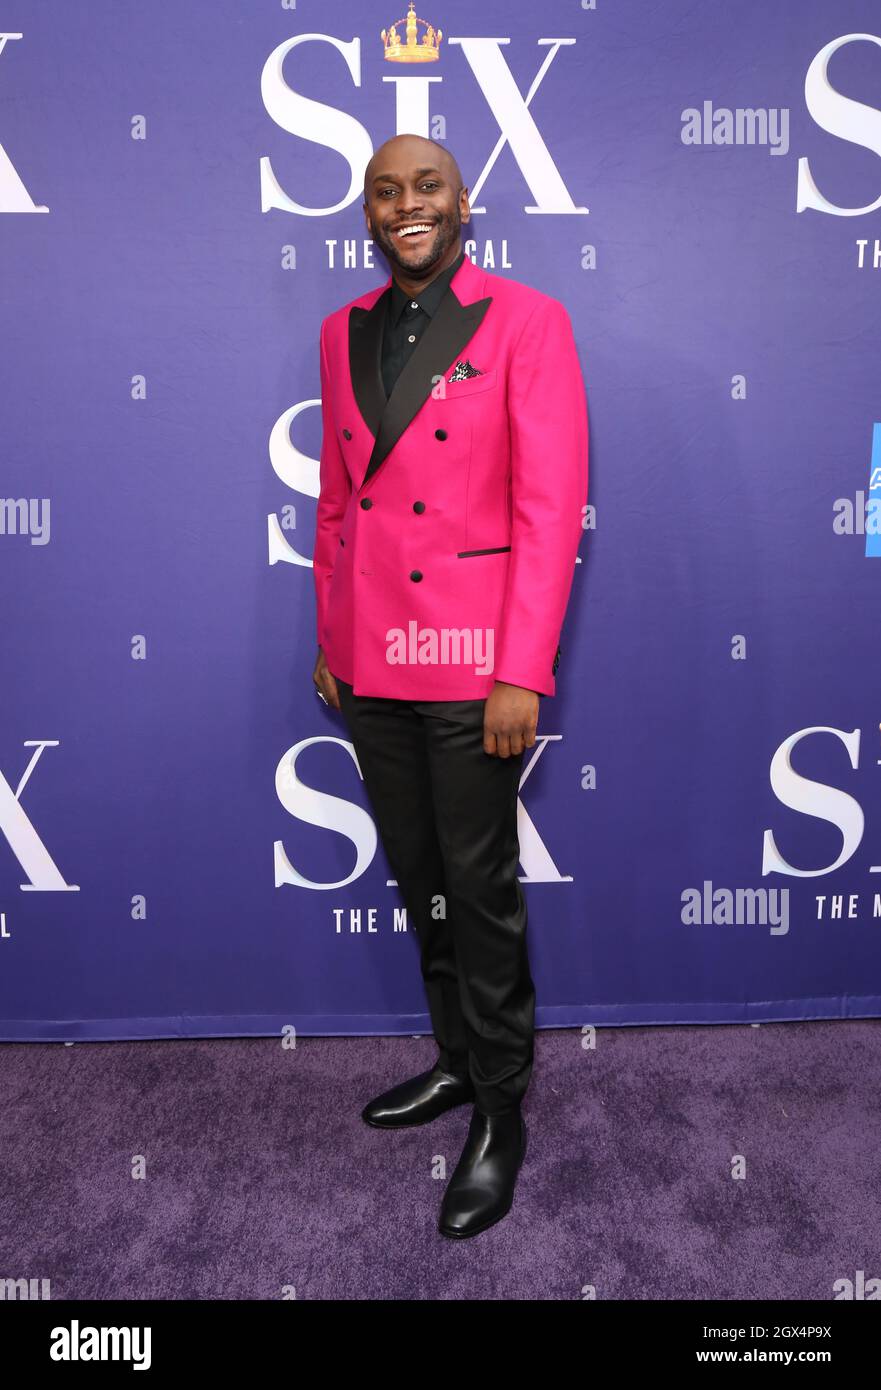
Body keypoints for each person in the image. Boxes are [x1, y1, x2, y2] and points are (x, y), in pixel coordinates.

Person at [312, 133, 588, 1238]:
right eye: (385, 192)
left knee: (476, 888)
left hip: (475, 664)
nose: (405, 206)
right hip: (370, 657)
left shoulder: (526, 320)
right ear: (366, 212)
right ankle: (455, 1061)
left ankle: (501, 1109)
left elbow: (546, 505)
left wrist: (521, 667)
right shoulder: (339, 331)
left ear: (461, 201)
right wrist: (330, 637)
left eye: (424, 186)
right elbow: (338, 502)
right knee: (418, 872)